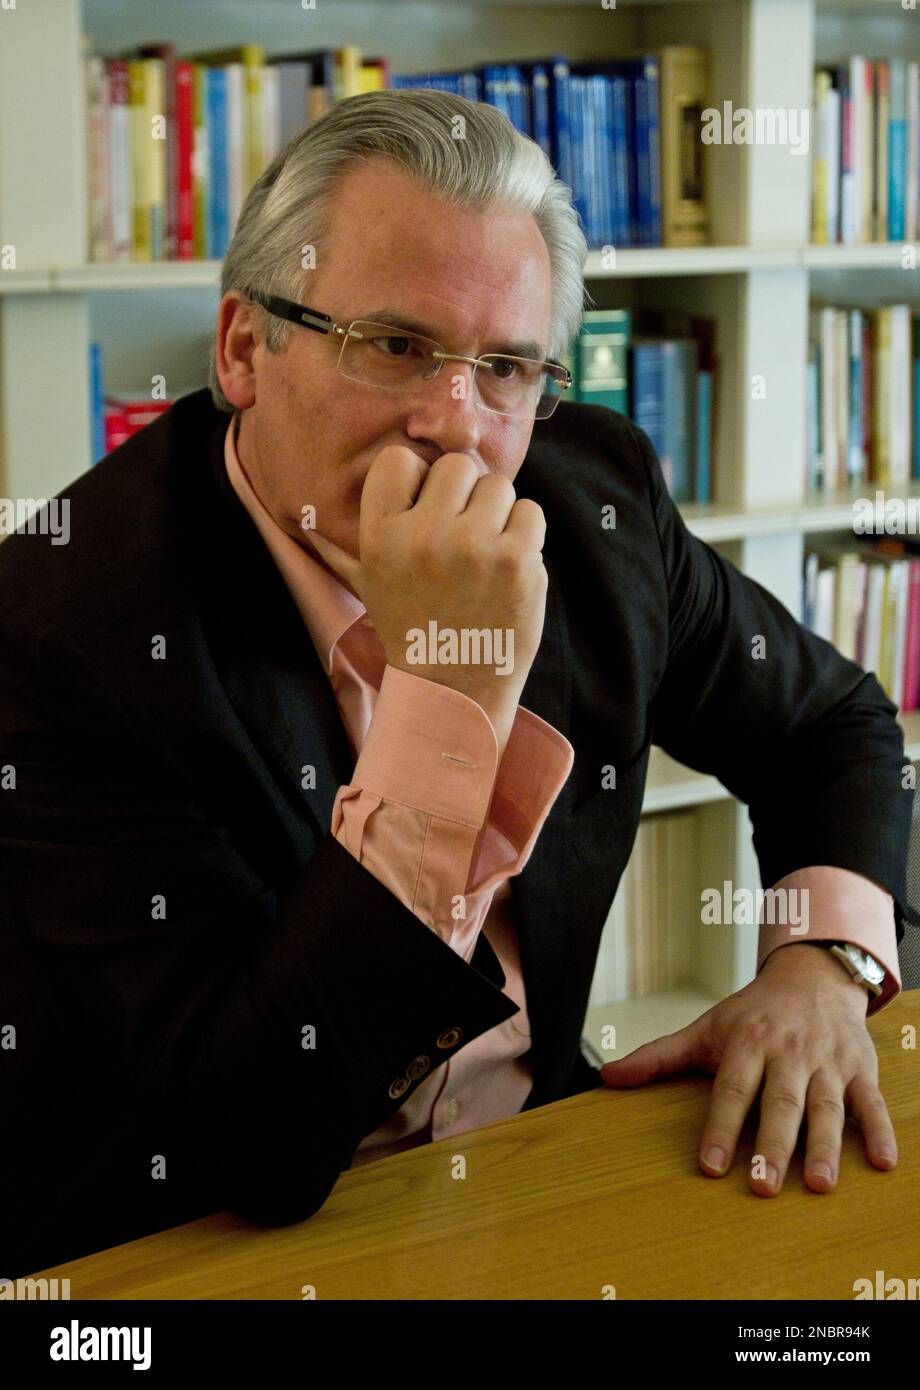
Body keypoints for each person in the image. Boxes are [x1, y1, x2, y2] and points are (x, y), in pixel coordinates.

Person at [0, 90, 914, 1278]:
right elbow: (250, 1138)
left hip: (530, 1178)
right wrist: (446, 690)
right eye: (394, 345)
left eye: (505, 368)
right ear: (242, 349)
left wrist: (818, 967)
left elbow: (829, 723)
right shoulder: (57, 633)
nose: (455, 423)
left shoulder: (595, 510)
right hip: (192, 1239)